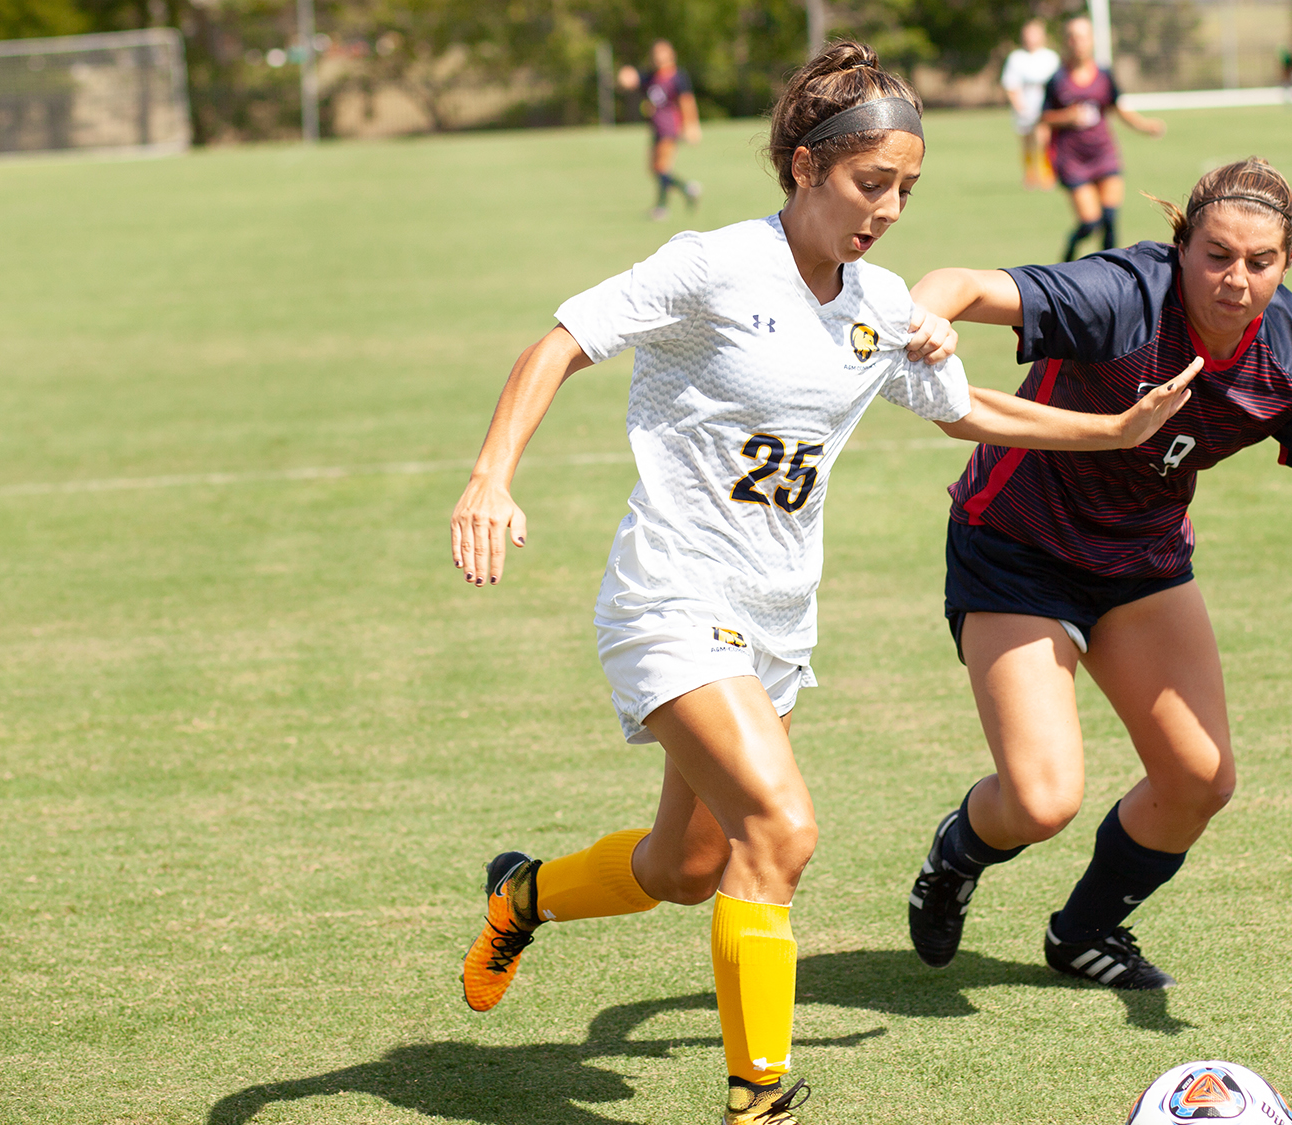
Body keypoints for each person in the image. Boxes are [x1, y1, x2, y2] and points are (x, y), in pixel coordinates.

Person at [450, 43, 1204, 1125]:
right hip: (670, 593)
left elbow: (958, 408)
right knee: (783, 832)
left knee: (689, 865)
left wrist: (1109, 429)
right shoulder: (711, 265)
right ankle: (758, 1099)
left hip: (773, 617)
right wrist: (489, 476)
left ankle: (520, 895)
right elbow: (560, 342)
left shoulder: (880, 299)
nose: (890, 209)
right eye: (870, 183)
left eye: (906, 188)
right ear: (804, 166)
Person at [902, 158, 1292, 991]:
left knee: (1199, 779)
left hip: (1140, 562)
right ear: (1182, 245)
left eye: (1260, 262)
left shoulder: (1291, 348)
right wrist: (926, 317)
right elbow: (963, 283)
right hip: (1017, 547)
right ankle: (955, 853)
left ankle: (1086, 931)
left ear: (1286, 262)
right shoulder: (1121, 296)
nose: (1237, 279)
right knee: (1041, 800)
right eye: (1217, 255)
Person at [1042, 15, 1165, 262]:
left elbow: (1118, 108)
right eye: (1073, 37)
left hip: (1103, 153)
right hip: (1073, 158)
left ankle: (1110, 272)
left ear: (1092, 41)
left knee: (1109, 218)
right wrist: (1067, 116)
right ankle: (1067, 259)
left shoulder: (1104, 75)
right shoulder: (1057, 79)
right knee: (1090, 222)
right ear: (1067, 41)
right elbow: (1044, 117)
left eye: (1083, 37)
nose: (1078, 42)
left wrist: (1144, 125)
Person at [618, 39, 702, 218]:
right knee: (656, 169)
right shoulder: (651, 77)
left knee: (661, 167)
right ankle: (685, 190)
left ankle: (664, 205)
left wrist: (691, 125)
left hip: (670, 128)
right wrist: (625, 75)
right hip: (656, 128)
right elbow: (632, 79)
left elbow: (687, 102)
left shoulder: (678, 77)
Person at [1000, 18, 1061, 190]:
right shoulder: (1016, 58)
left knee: (1044, 139)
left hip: (1046, 107)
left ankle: (1047, 174)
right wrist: (1020, 106)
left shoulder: (1051, 58)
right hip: (1025, 107)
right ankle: (1030, 175)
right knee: (1027, 141)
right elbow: (1011, 85)